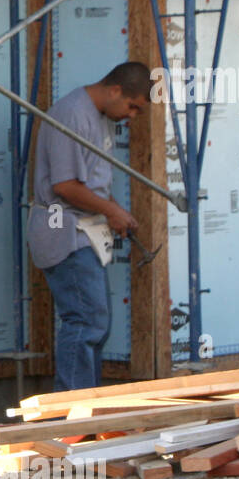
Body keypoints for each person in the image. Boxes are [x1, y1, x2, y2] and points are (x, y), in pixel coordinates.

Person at [26, 62, 153, 392]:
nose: (132, 116)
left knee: (93, 323)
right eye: (132, 106)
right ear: (115, 90)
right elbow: (66, 185)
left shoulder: (98, 116)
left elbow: (93, 178)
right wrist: (111, 210)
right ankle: (70, 414)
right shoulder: (72, 115)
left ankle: (84, 409)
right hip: (65, 231)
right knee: (86, 322)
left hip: (82, 230)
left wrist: (112, 211)